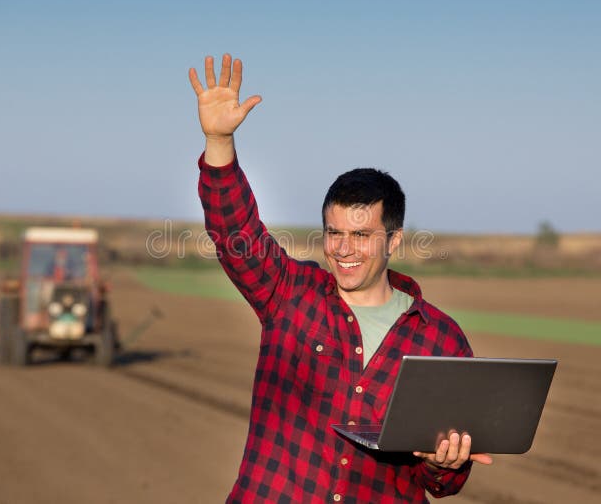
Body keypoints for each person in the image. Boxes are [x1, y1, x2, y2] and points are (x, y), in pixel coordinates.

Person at [189, 54, 492, 503]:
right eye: (335, 233)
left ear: (393, 241)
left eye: (361, 235)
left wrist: (442, 462)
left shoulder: (442, 342)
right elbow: (238, 233)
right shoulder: (290, 295)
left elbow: (441, 484)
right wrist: (219, 143)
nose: (343, 249)